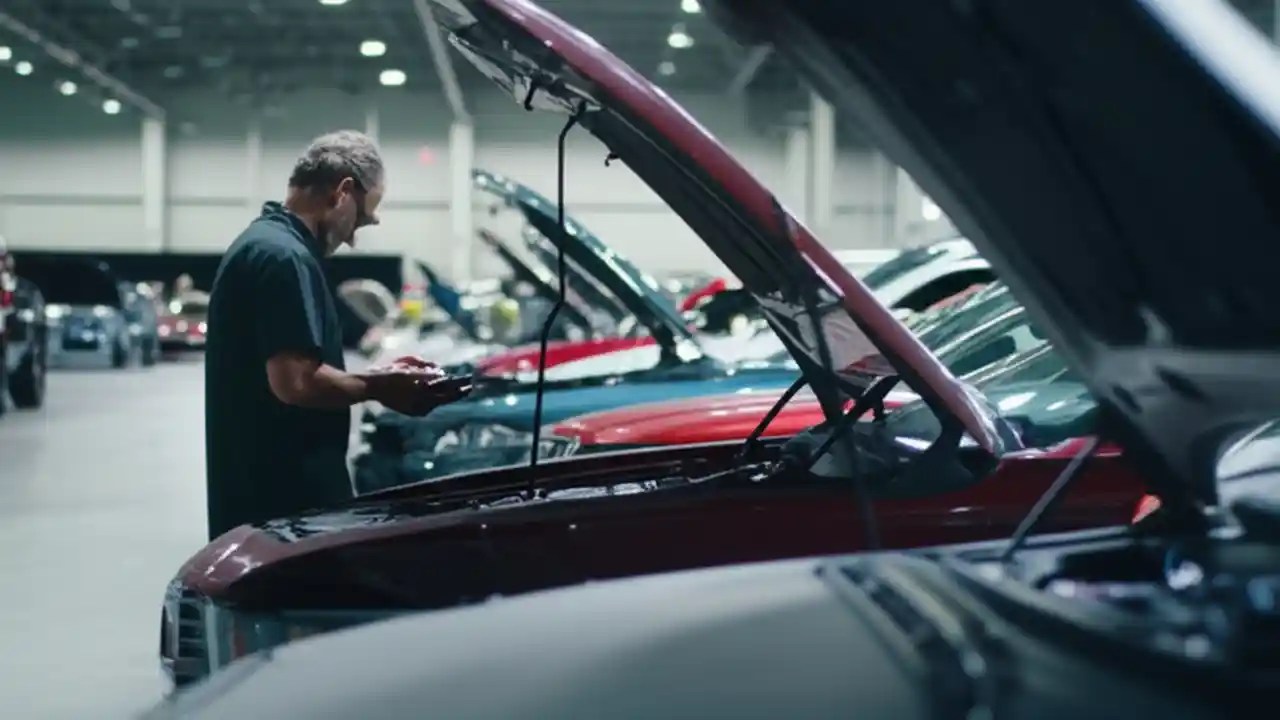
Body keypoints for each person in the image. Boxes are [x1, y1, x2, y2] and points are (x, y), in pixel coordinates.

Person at [204, 130, 470, 540]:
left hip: (260, 498)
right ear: (343, 192)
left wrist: (382, 374)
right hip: (283, 509)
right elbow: (295, 383)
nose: (352, 236)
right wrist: (381, 386)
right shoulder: (284, 258)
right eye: (362, 218)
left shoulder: (264, 245)